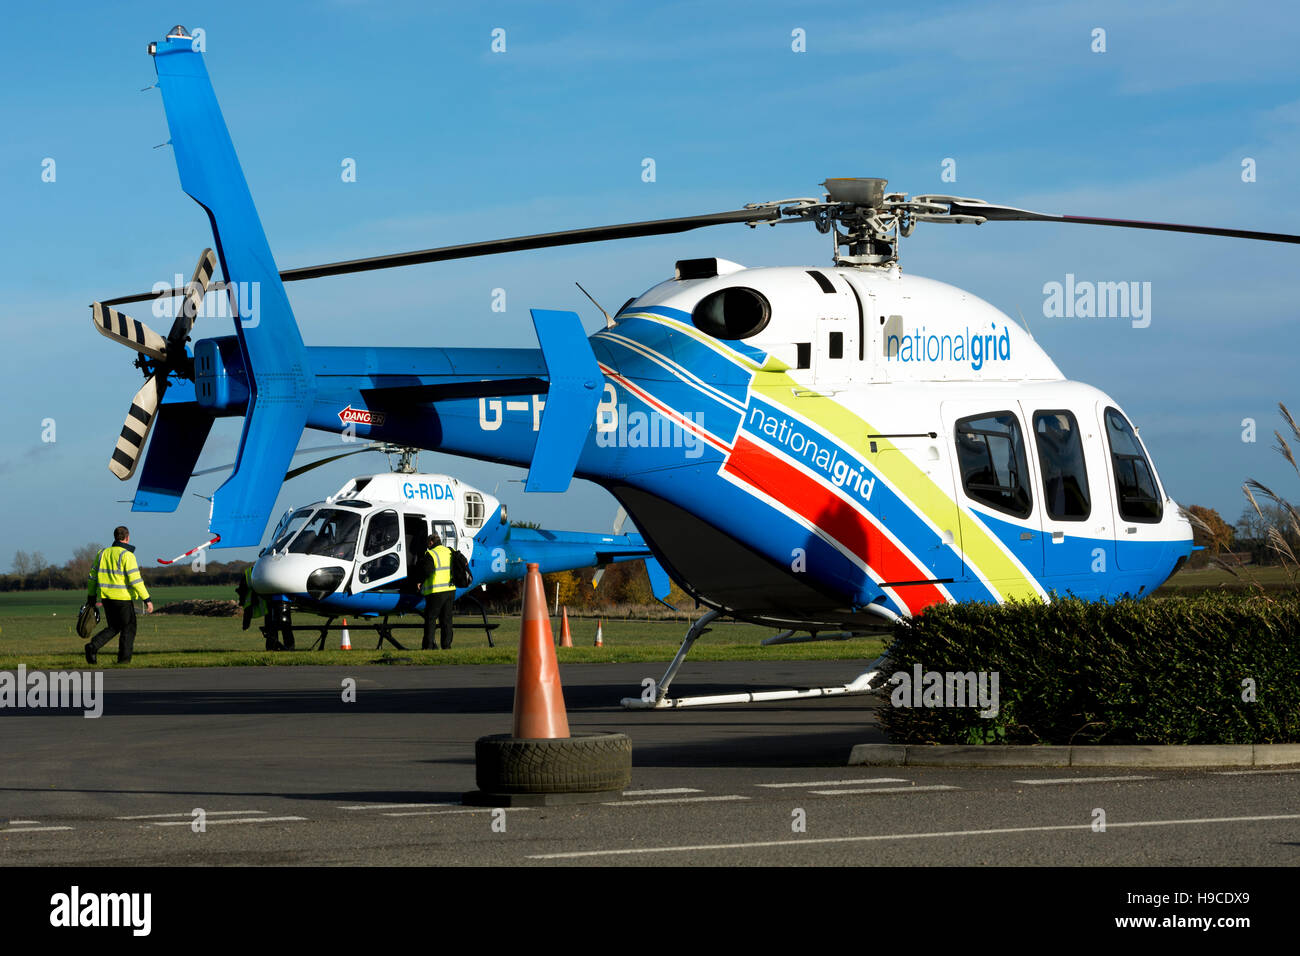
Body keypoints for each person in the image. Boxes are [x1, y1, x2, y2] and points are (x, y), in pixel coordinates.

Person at [85, 525, 152, 664]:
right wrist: (147, 599)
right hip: (123, 599)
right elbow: (135, 580)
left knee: (114, 627)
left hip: (106, 598)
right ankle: (123, 661)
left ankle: (93, 646)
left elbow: (92, 577)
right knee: (129, 629)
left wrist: (91, 597)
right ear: (127, 538)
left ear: (115, 537)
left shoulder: (102, 553)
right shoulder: (127, 555)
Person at [412, 532, 455, 649]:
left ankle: (428, 646)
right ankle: (446, 646)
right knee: (446, 620)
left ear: (431, 542)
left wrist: (419, 581)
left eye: (428, 543)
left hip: (436, 591)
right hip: (450, 590)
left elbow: (427, 571)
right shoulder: (449, 551)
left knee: (431, 619)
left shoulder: (431, 553)